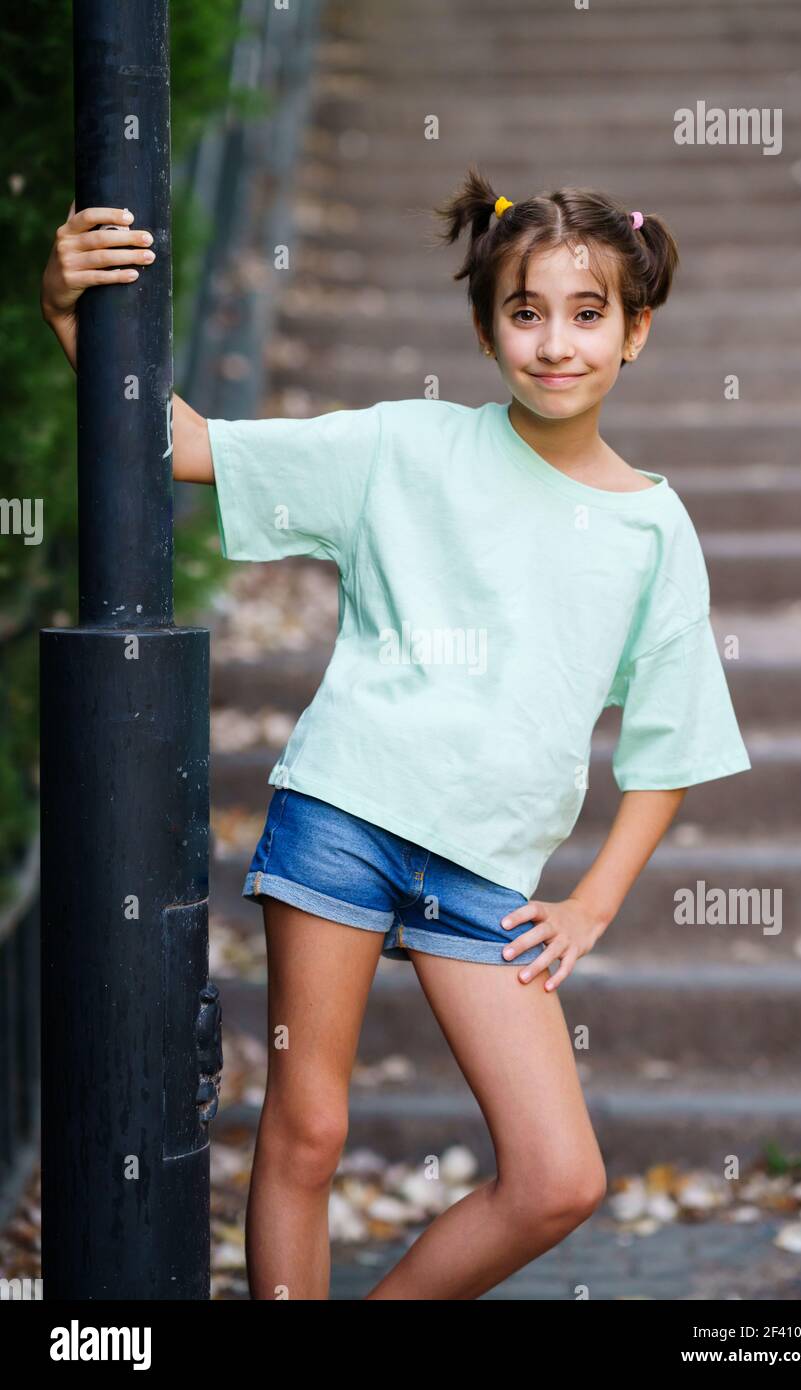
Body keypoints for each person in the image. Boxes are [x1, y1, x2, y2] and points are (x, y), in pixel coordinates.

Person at [41, 165, 751, 1301]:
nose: (554, 342)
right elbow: (186, 445)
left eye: (586, 314)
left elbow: (671, 744)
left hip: (486, 872)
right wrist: (74, 315)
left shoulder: (653, 531)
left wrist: (591, 902)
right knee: (308, 1128)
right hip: (343, 815)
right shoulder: (403, 447)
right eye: (525, 313)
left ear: (635, 333)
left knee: (558, 1177)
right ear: (485, 331)